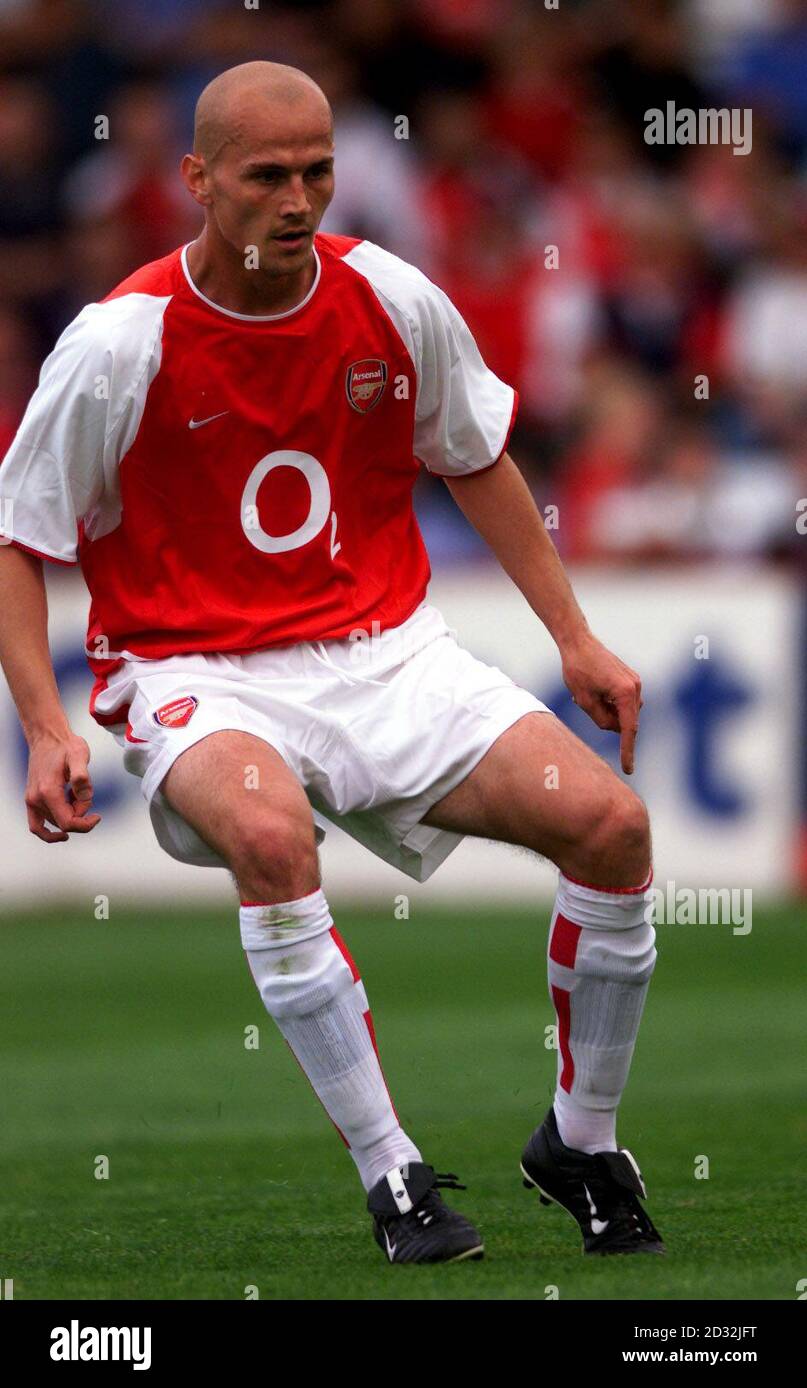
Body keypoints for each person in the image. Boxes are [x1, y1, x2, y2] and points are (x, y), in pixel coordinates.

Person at [0, 61, 663, 1264]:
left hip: (389, 652)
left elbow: (474, 455)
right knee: (269, 838)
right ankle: (393, 1172)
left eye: (317, 172)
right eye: (266, 177)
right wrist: (47, 722)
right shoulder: (119, 342)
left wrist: (575, 637)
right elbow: (20, 533)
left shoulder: (392, 298)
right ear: (198, 181)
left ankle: (583, 1140)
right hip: (197, 666)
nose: (297, 200)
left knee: (614, 827)